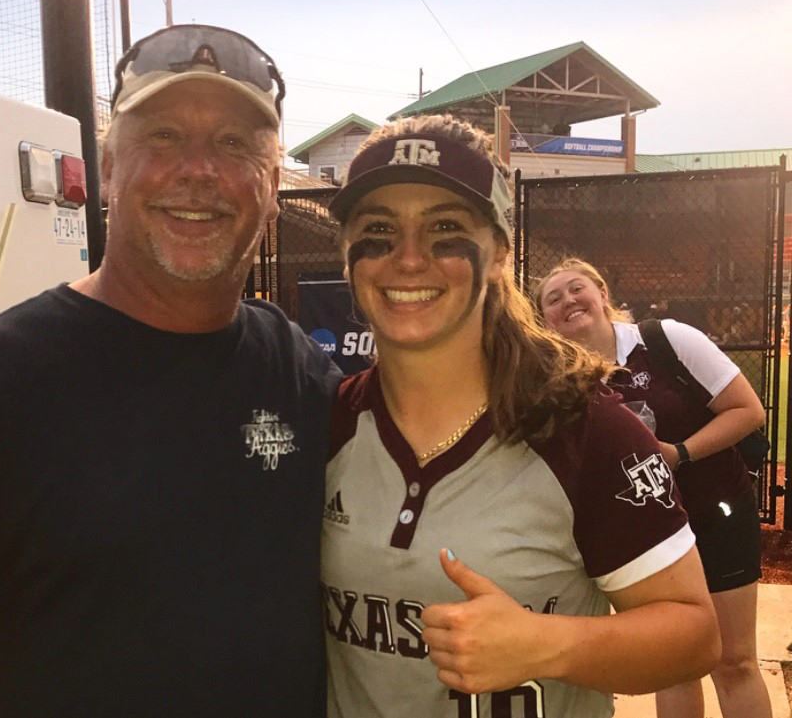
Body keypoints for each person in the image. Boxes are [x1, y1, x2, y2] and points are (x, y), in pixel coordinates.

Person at [0, 25, 340, 718]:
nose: (198, 171)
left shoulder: (302, 376)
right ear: (108, 167)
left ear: (271, 179)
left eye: (235, 144)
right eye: (162, 136)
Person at [320, 114, 720, 718]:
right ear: (348, 251)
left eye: (445, 228)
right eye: (379, 229)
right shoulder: (327, 425)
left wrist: (547, 646)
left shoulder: (584, 428)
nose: (408, 259)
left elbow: (694, 636)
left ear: (501, 253)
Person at [536, 258, 771, 718]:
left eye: (576, 288)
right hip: (647, 536)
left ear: (601, 294)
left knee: (734, 661)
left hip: (715, 511)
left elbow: (748, 411)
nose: (568, 300)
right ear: (544, 320)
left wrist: (677, 453)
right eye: (553, 298)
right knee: (675, 665)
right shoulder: (559, 381)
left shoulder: (665, 340)